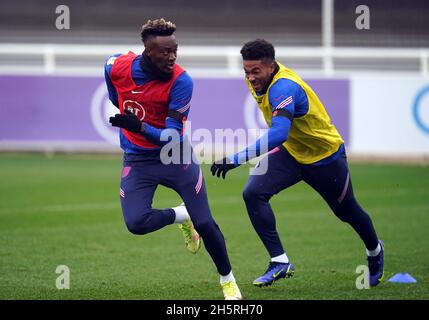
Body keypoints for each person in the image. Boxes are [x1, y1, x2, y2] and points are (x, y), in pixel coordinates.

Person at [211, 39, 384, 288]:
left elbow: (280, 132)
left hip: (325, 157)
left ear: (271, 67)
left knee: (347, 212)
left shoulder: (284, 87)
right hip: (291, 153)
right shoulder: (258, 80)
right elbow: (283, 136)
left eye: (255, 71)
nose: (250, 77)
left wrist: (236, 158)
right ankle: (280, 261)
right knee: (253, 192)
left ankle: (375, 251)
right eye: (246, 71)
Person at [104, 18, 242, 300]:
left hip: (175, 157)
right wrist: (127, 114)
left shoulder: (181, 81)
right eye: (164, 52)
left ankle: (228, 280)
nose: (172, 57)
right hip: (138, 160)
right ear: (147, 51)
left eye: (174, 50)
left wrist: (139, 126)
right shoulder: (116, 67)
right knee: (136, 223)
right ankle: (182, 214)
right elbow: (113, 86)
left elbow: (173, 136)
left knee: (205, 223)